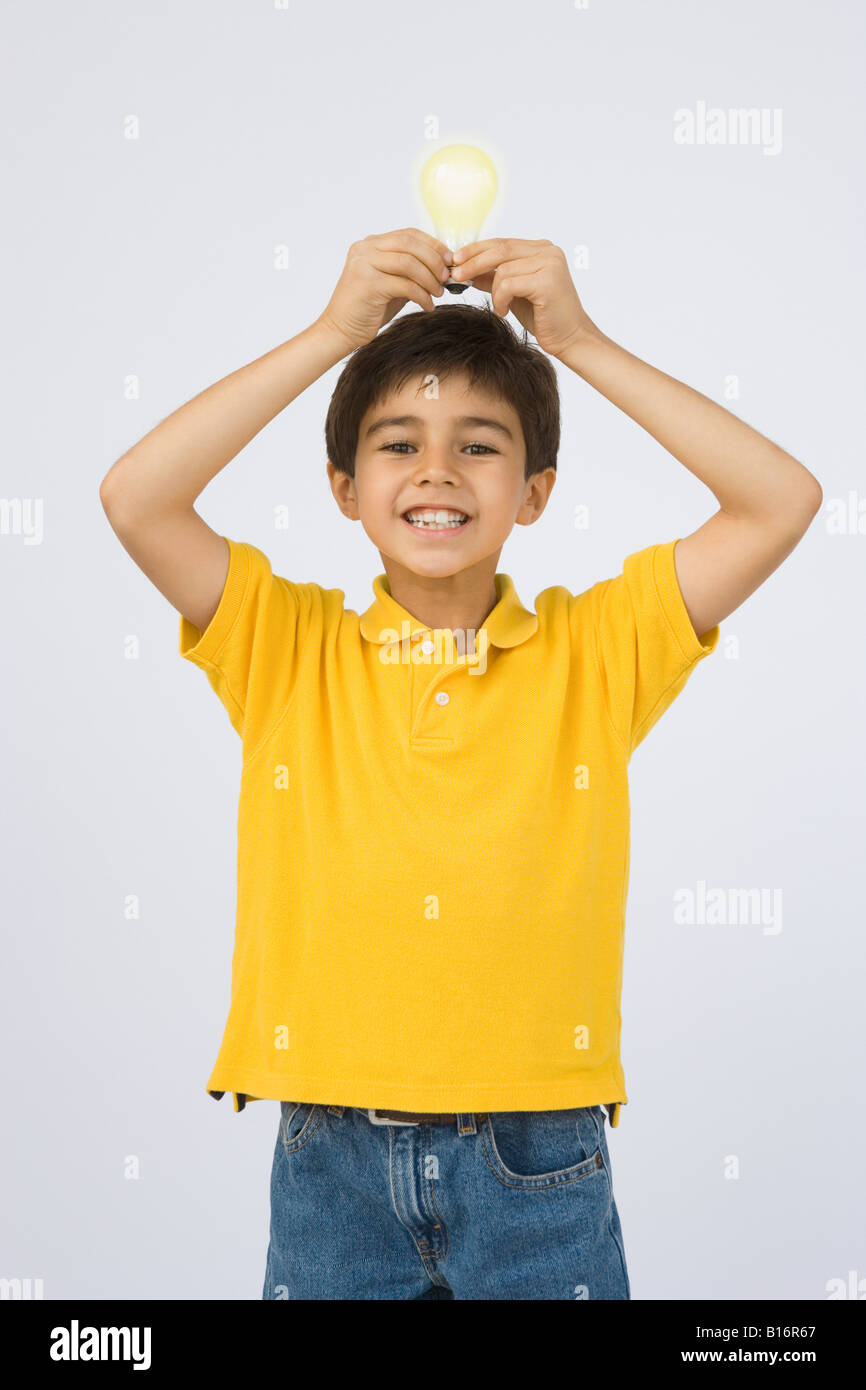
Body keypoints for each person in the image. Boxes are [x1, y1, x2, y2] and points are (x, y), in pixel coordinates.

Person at [99, 228, 822, 1300]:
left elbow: (780, 499)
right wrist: (333, 332)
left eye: (479, 446)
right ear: (343, 488)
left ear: (533, 491)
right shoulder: (286, 648)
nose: (436, 471)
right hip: (329, 1160)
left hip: (539, 1158)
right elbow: (135, 497)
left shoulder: (594, 651)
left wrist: (575, 341)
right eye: (397, 445)